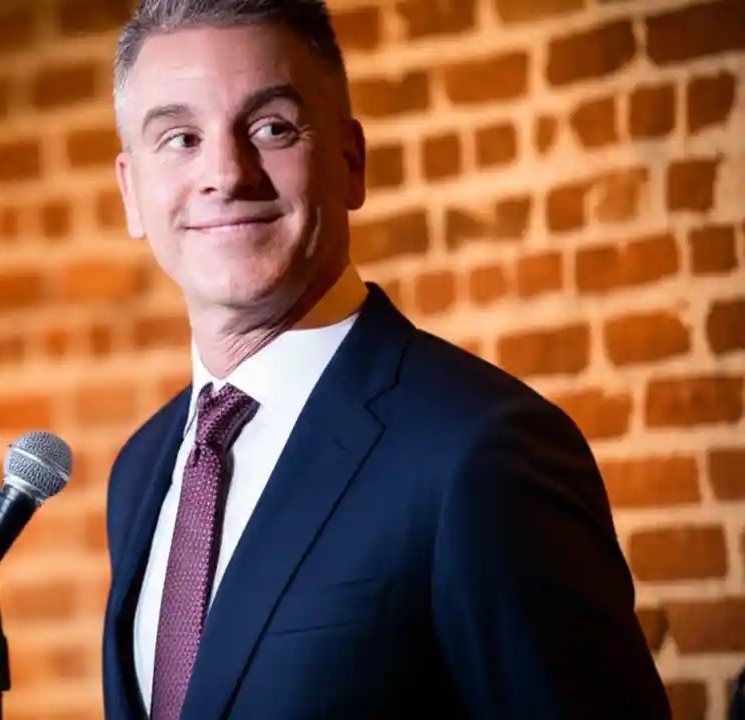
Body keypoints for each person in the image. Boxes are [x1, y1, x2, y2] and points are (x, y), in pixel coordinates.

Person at [100, 1, 671, 717]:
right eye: (180, 138)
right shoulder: (142, 470)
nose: (227, 172)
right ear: (131, 191)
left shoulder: (477, 452)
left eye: (272, 128)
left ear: (350, 162)